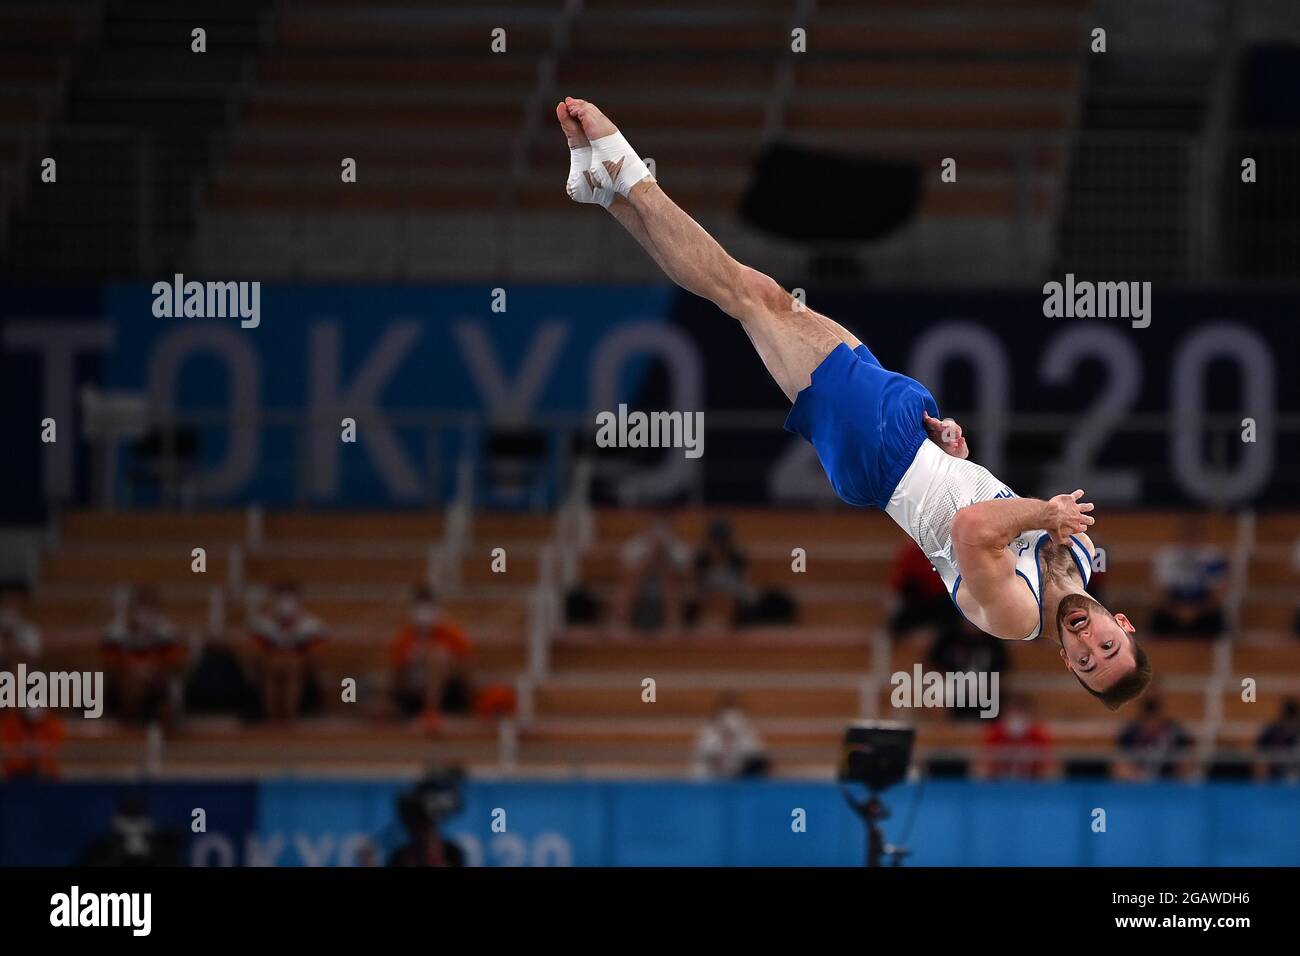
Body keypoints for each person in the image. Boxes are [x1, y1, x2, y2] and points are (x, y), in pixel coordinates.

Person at [558, 97, 1150, 711]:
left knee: (746, 296)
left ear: (1065, 662)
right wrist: (958, 457)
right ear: (1124, 623)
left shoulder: (1016, 615)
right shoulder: (1079, 553)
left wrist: (1042, 513)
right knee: (758, 297)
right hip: (913, 442)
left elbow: (972, 528)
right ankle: (604, 190)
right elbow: (982, 504)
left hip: (882, 456)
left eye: (1084, 664)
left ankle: (624, 170)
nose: (1090, 646)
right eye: (1108, 648)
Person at [391, 585, 473, 728]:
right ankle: (426, 711)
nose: (423, 613)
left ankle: (432, 711)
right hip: (413, 694)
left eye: (427, 606)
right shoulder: (404, 639)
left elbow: (466, 669)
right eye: (419, 606)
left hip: (449, 693)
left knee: (437, 657)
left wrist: (439, 661)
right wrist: (413, 660)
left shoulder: (452, 635)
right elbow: (397, 677)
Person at [103, 587, 185, 724]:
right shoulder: (115, 633)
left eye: (149, 606)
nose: (144, 614)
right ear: (130, 608)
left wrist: (152, 671)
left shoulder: (167, 632)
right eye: (139, 605)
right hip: (123, 685)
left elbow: (175, 665)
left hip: (155, 685)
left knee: (171, 692)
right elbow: (109, 666)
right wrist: (132, 671)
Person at [249, 581, 325, 723]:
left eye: (290, 599)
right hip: (270, 663)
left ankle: (290, 715)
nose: (285, 604)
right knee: (275, 667)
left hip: (298, 664)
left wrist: (301, 657)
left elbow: (316, 649)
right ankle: (271, 715)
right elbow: (255, 648)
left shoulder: (310, 623)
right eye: (280, 598)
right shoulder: (263, 623)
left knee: (291, 667)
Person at [1150, 516, 1228, 639]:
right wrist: (1178, 611)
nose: (1190, 541)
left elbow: (1217, 594)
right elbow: (1160, 593)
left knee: (1217, 618)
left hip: (1203, 610)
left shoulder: (1212, 556)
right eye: (1187, 537)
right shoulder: (1167, 556)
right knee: (1158, 618)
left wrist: (1195, 611)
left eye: (1193, 536)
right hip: (1173, 610)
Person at [611, 514, 691, 634]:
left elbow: (687, 575)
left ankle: (673, 626)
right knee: (627, 586)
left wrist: (664, 563)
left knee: (671, 584)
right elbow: (624, 574)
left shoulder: (679, 547)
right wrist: (648, 560)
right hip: (639, 588)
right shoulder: (634, 545)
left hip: (668, 590)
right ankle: (620, 625)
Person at [691, 518, 753, 629]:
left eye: (722, 542)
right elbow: (697, 593)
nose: (718, 547)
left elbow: (743, 593)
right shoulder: (700, 561)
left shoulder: (738, 561)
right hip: (706, 614)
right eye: (715, 542)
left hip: (734, 616)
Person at [692, 692, 770, 779]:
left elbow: (758, 757)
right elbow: (707, 755)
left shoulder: (745, 731)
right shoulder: (709, 732)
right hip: (709, 779)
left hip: (736, 781)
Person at [1115, 697, 1194, 780]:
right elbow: (1120, 762)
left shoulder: (1175, 732)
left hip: (1169, 781)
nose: (1152, 725)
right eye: (1148, 721)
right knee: (1122, 768)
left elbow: (1188, 758)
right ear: (1142, 719)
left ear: (1161, 718)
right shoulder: (1130, 733)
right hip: (1137, 781)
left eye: (1155, 720)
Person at [981, 693, 1053, 779]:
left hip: (1031, 785)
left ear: (1030, 715)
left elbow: (1048, 770)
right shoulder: (995, 734)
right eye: (1014, 712)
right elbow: (983, 768)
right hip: (999, 785)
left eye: (1022, 712)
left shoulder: (1038, 736)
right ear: (1006, 714)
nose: (1018, 717)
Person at [1255, 698, 1299, 782]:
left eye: (1292, 720)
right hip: (1274, 779)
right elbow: (1259, 757)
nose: (1290, 724)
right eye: (1287, 718)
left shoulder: (1297, 733)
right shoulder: (1271, 732)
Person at [0, 586, 41, 671]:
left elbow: (33, 656)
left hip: (22, 672)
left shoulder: (30, 630)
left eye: (13, 604)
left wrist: (13, 649)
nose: (10, 609)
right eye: (6, 604)